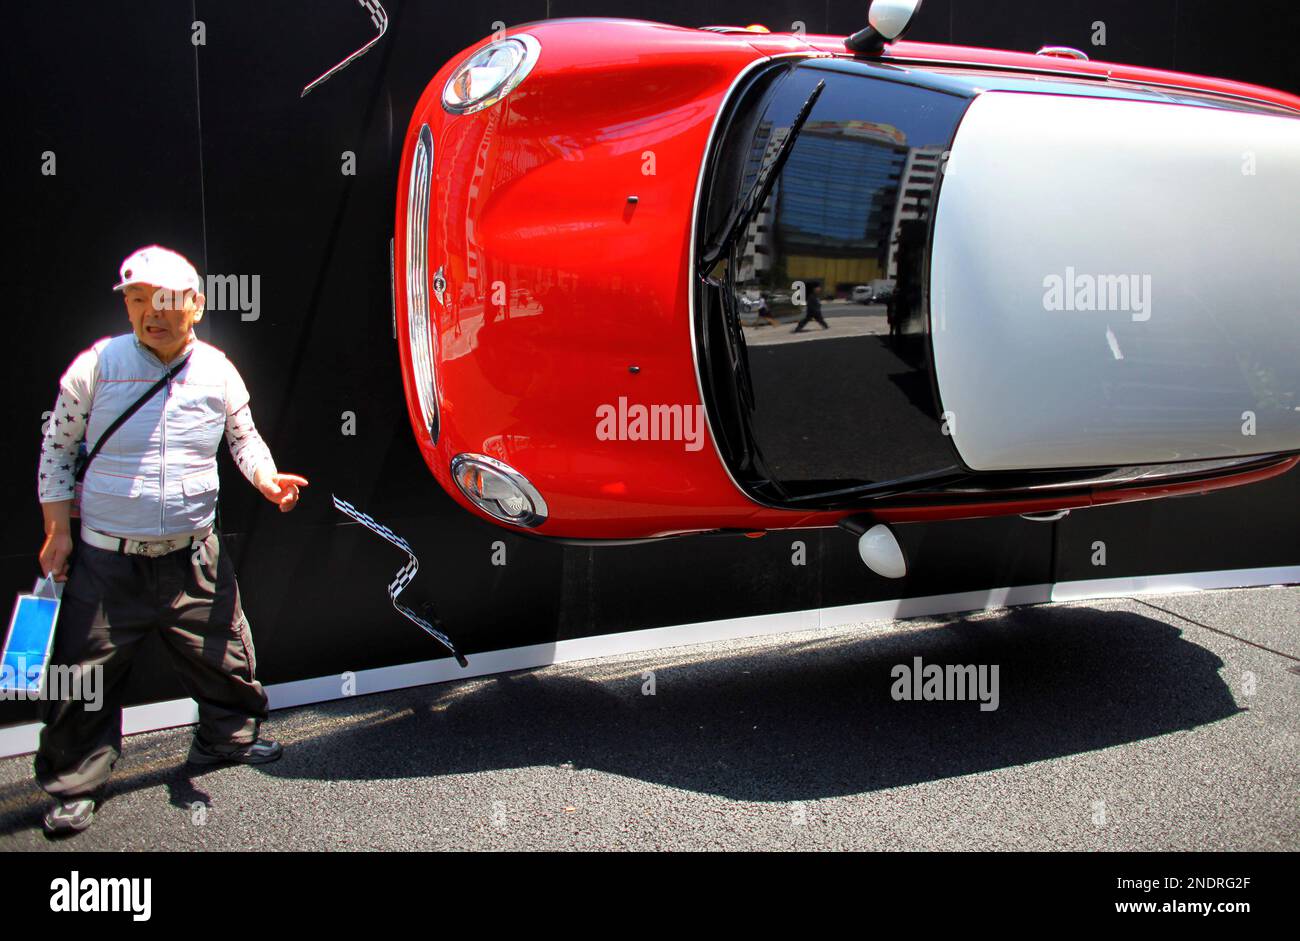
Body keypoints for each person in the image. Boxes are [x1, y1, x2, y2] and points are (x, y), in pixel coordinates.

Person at [34, 245, 309, 835]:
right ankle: (75, 783)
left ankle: (227, 741)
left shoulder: (216, 368)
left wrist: (265, 478)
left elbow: (244, 438)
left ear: (196, 306)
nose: (149, 314)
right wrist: (58, 529)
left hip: (195, 556)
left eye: (164, 302)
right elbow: (56, 449)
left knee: (224, 654)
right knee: (85, 677)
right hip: (108, 560)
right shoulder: (97, 366)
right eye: (136, 301)